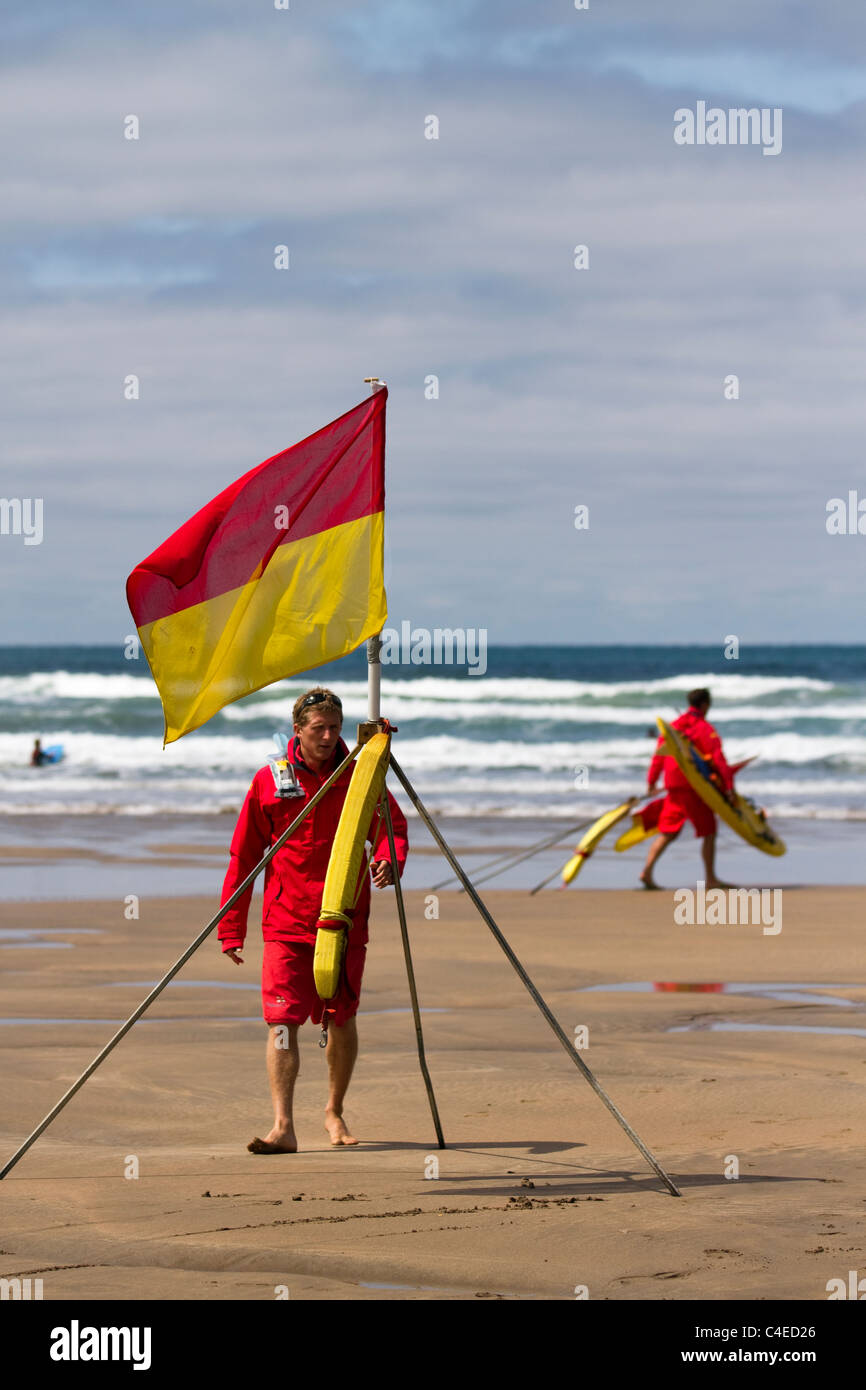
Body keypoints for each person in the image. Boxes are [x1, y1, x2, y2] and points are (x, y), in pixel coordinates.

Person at [218, 686, 408, 1153]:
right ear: (297, 730)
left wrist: (389, 859)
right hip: (285, 921)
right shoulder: (271, 780)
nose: (327, 736)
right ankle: (282, 1125)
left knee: (340, 1017)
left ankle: (334, 1112)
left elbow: (392, 829)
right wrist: (231, 927)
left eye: (334, 728)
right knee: (282, 1021)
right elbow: (243, 856)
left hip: (345, 916)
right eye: (317, 728)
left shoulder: (361, 776)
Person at [640, 688, 734, 891]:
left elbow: (658, 756)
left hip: (673, 784)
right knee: (709, 831)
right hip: (694, 787)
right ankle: (711, 879)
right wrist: (728, 788)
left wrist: (651, 783)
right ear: (705, 705)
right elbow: (718, 758)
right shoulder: (704, 728)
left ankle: (646, 871)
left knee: (668, 831)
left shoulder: (672, 728)